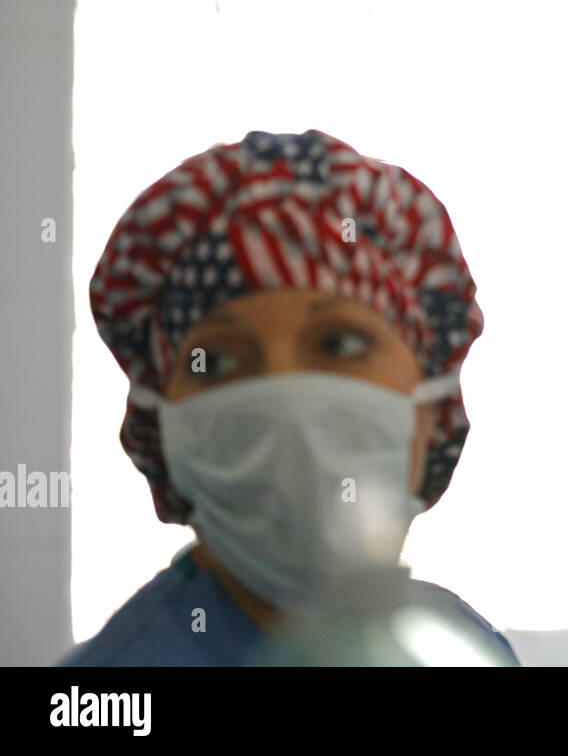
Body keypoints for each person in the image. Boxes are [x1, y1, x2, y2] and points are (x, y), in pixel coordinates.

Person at [58, 129, 517, 665]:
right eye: (221, 361)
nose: (287, 402)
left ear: (431, 409)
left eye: (341, 343)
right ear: (159, 426)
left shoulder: (463, 649)